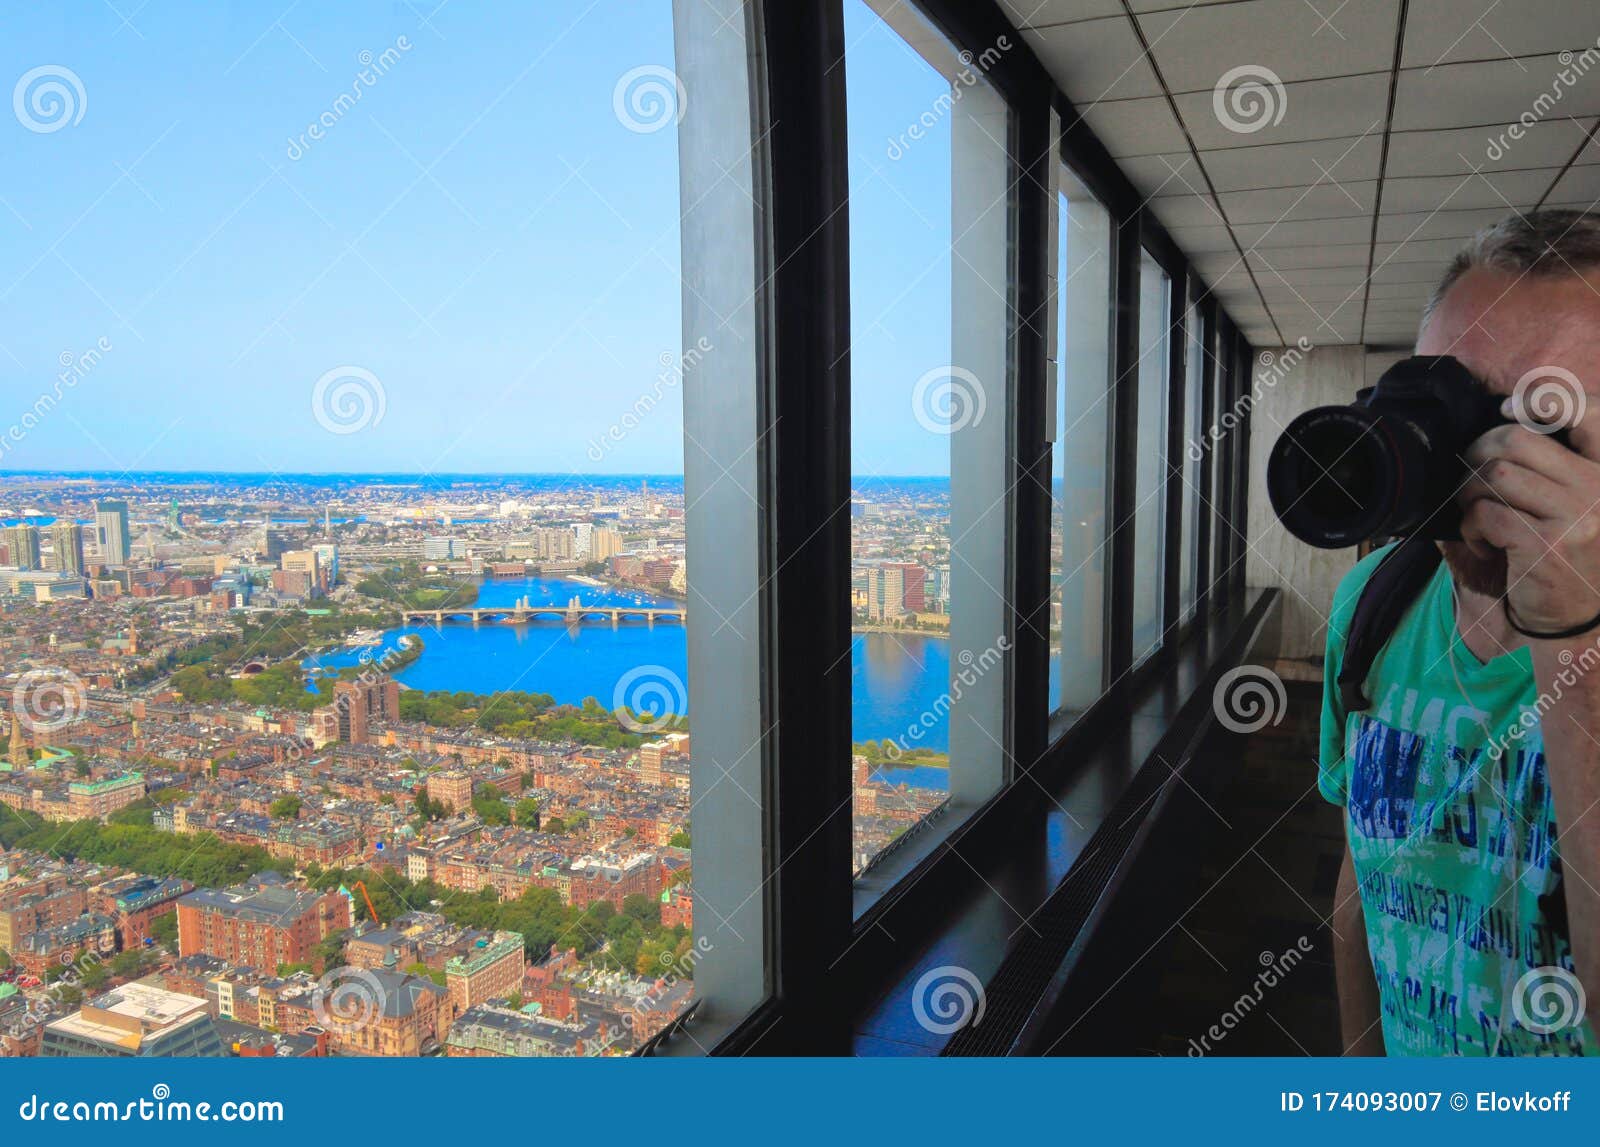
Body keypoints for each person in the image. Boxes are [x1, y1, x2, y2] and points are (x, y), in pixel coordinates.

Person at [1321, 209, 1600, 1056]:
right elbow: (1364, 884)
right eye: (1447, 406)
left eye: (1540, 425)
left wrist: (1571, 630)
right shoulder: (1377, 599)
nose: (1484, 464)